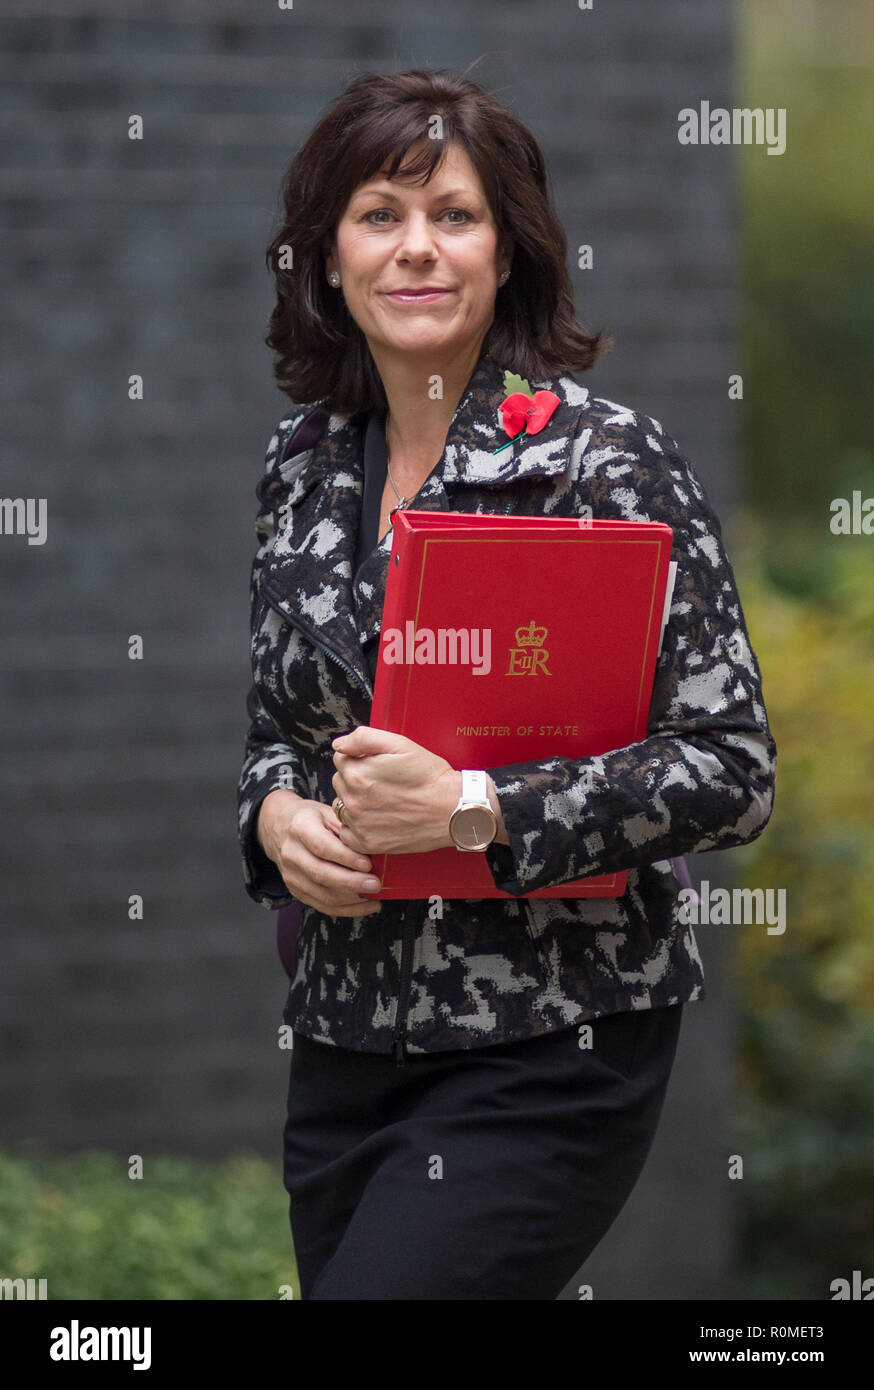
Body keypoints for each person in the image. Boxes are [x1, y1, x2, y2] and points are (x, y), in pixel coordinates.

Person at [236, 67, 777, 1301]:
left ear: (509, 252)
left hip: (552, 1040)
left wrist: (476, 808)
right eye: (379, 215)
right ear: (325, 258)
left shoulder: (601, 458)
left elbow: (729, 768)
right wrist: (274, 817)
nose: (416, 249)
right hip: (343, 1033)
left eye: (456, 216)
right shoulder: (302, 465)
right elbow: (277, 736)